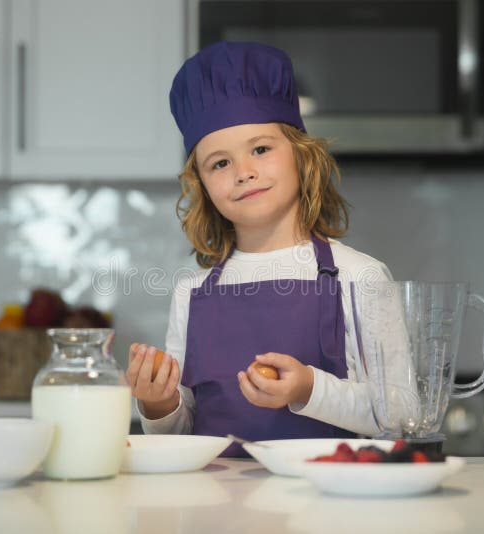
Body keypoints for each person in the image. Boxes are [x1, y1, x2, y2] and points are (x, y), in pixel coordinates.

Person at [126, 41, 393, 456]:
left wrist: (309, 387)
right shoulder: (191, 293)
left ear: (302, 157)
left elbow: (399, 414)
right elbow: (182, 435)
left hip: (325, 510)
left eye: (261, 149)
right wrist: (159, 403)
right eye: (220, 163)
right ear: (201, 185)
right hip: (215, 512)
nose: (244, 173)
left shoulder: (360, 276)